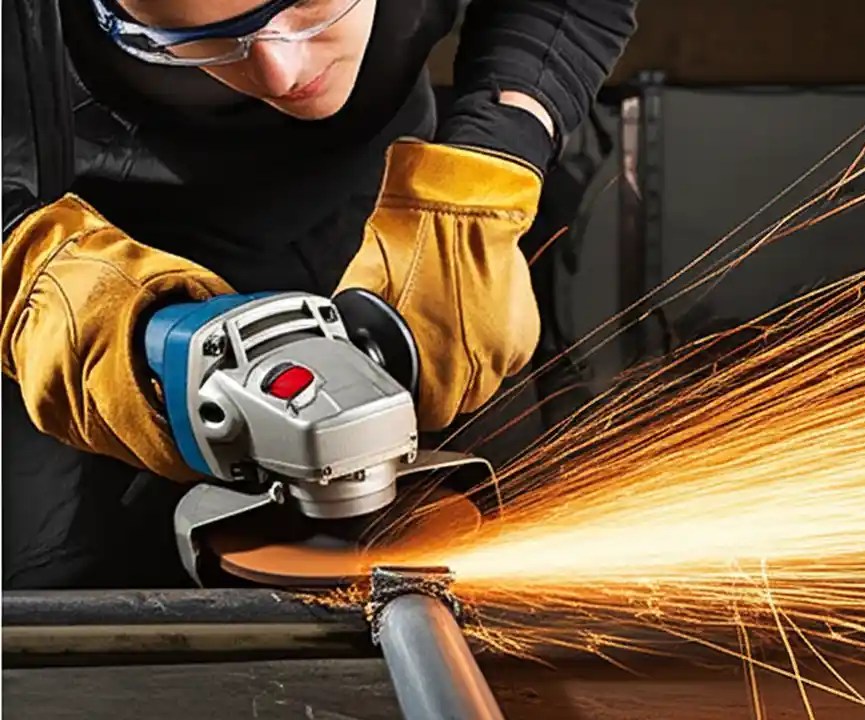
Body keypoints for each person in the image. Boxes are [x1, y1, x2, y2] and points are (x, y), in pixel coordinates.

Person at [1, 0, 638, 589]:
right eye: (196, 40)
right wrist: (31, 281)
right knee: (48, 578)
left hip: (369, 213)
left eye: (305, 5)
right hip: (70, 238)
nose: (281, 71)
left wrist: (493, 152)